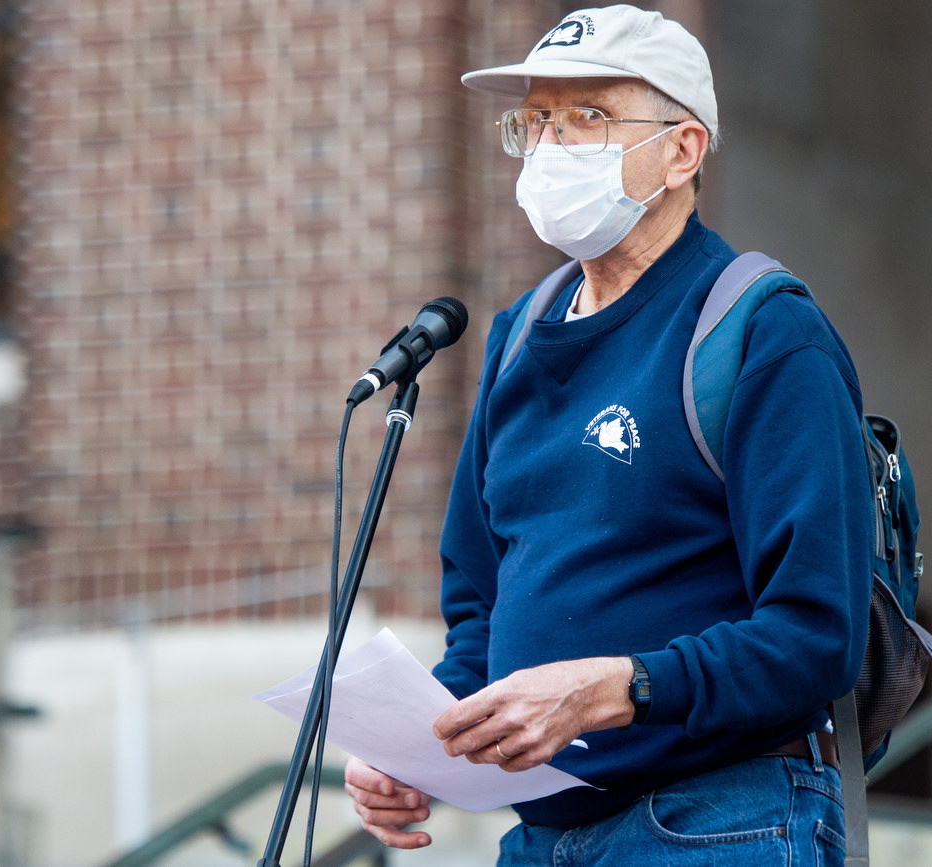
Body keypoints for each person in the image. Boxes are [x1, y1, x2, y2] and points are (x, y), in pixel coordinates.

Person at [344, 5, 873, 864]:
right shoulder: (519, 334)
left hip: (718, 819)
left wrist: (616, 688)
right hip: (545, 831)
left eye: (588, 118)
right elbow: (481, 611)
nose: (552, 146)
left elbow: (815, 636)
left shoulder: (760, 332)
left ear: (683, 150)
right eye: (538, 121)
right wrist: (425, 740)